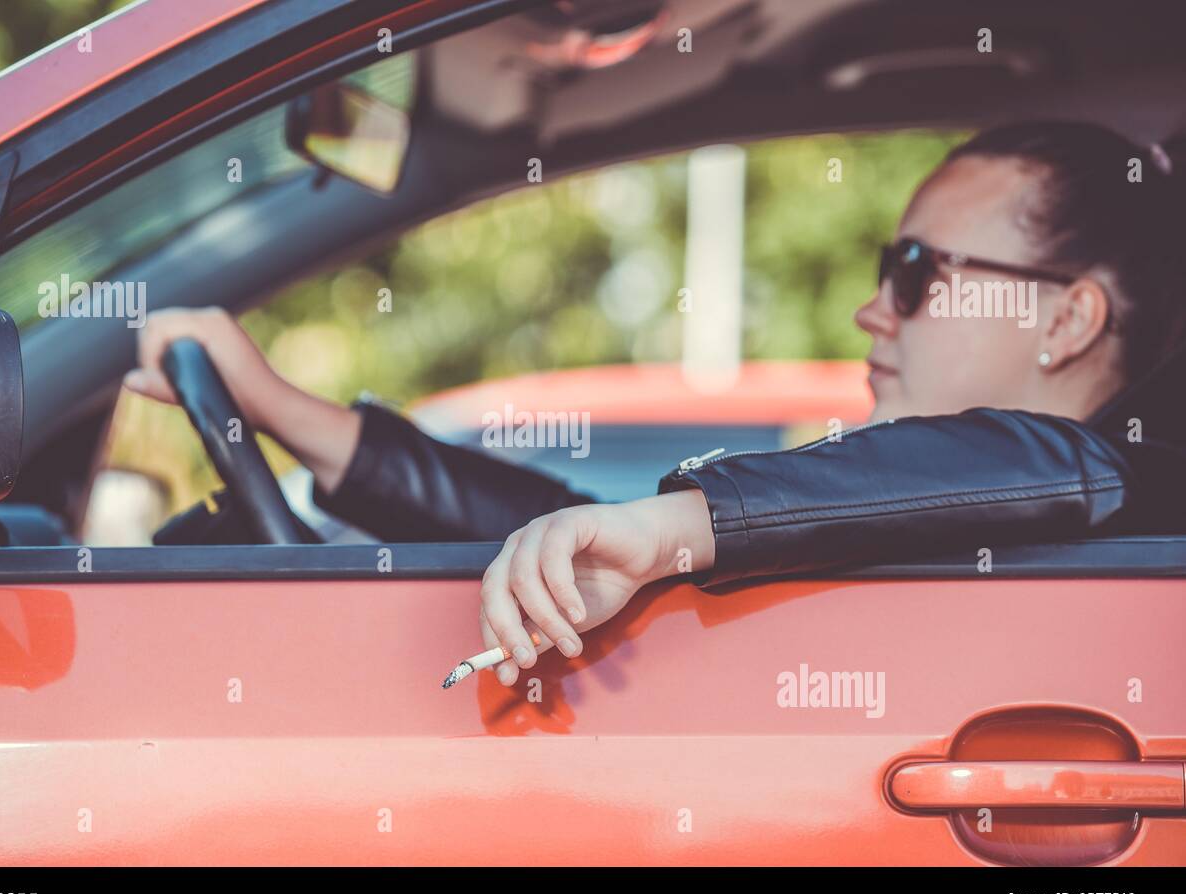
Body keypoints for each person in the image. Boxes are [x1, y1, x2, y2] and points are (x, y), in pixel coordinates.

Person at [127, 122, 1186, 686]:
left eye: (916, 269)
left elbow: (1060, 464)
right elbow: (559, 518)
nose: (871, 308)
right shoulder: (936, 527)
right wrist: (281, 406)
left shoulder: (1123, 491)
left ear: (1068, 319)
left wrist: (671, 524)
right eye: (879, 264)